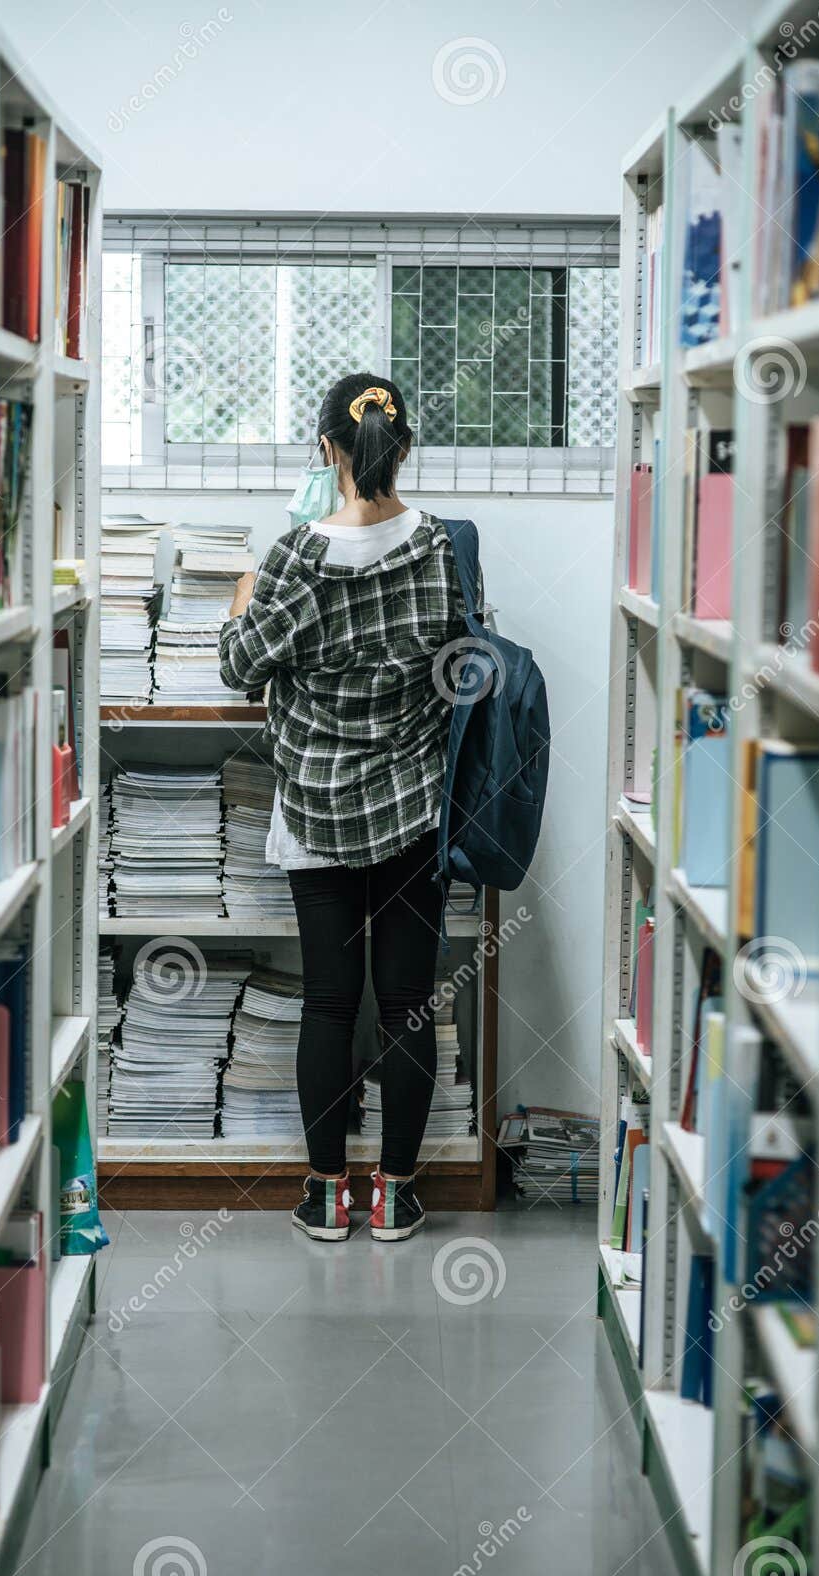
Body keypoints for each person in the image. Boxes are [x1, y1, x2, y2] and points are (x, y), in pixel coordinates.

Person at [219, 374, 479, 1244]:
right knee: (407, 1004)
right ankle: (398, 1195)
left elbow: (239, 667)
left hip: (319, 807)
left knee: (331, 1004)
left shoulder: (296, 555)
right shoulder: (438, 545)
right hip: (410, 805)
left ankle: (328, 1196)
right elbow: (454, 654)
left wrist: (242, 599)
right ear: (401, 447)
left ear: (328, 448)